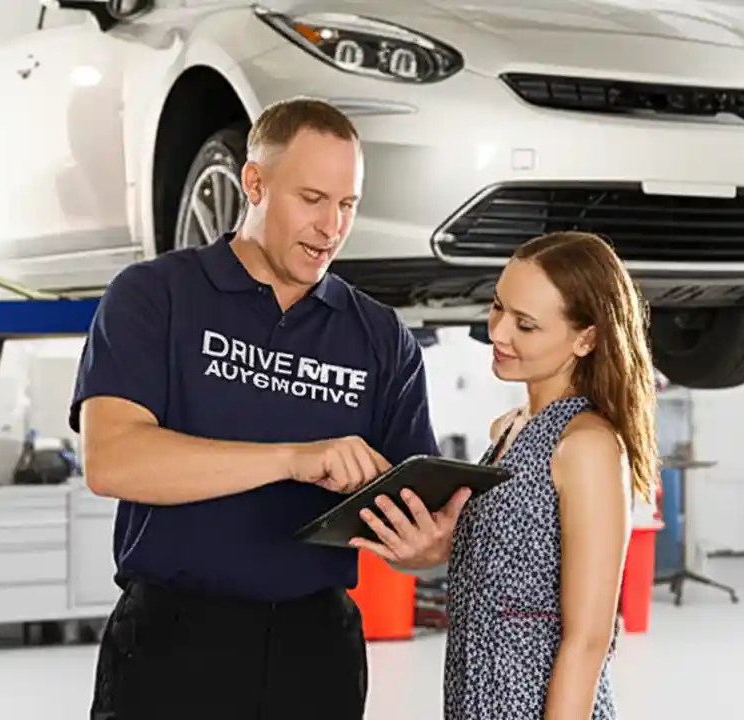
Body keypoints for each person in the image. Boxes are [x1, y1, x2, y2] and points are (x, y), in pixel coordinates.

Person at [68, 97, 468, 720]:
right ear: (253, 183)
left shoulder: (381, 338)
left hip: (317, 652)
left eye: (347, 205)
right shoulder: (155, 296)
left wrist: (427, 545)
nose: (330, 227)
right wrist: (291, 460)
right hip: (173, 644)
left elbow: (421, 511)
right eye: (311, 199)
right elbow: (112, 460)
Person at [351, 231, 658, 719]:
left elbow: (588, 640)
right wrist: (429, 551)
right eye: (498, 307)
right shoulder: (508, 432)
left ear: (586, 337)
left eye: (526, 325)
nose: (497, 332)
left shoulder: (587, 447)